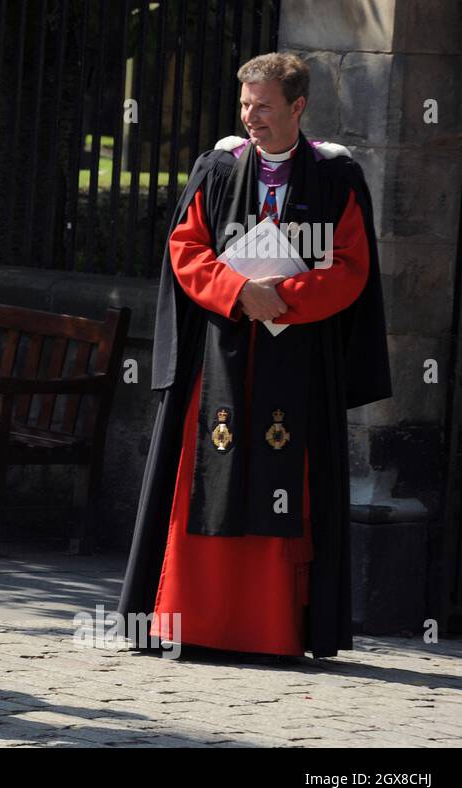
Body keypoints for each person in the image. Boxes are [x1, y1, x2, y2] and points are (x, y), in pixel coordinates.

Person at [116, 52, 391, 659]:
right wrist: (242, 293)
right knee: (207, 472)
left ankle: (273, 630)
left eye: (263, 106)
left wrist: (282, 300)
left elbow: (350, 268)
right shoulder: (216, 169)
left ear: (298, 107)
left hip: (300, 361)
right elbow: (185, 249)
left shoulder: (336, 177)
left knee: (285, 480)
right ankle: (193, 622)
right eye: (244, 104)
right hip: (220, 355)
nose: (250, 117)